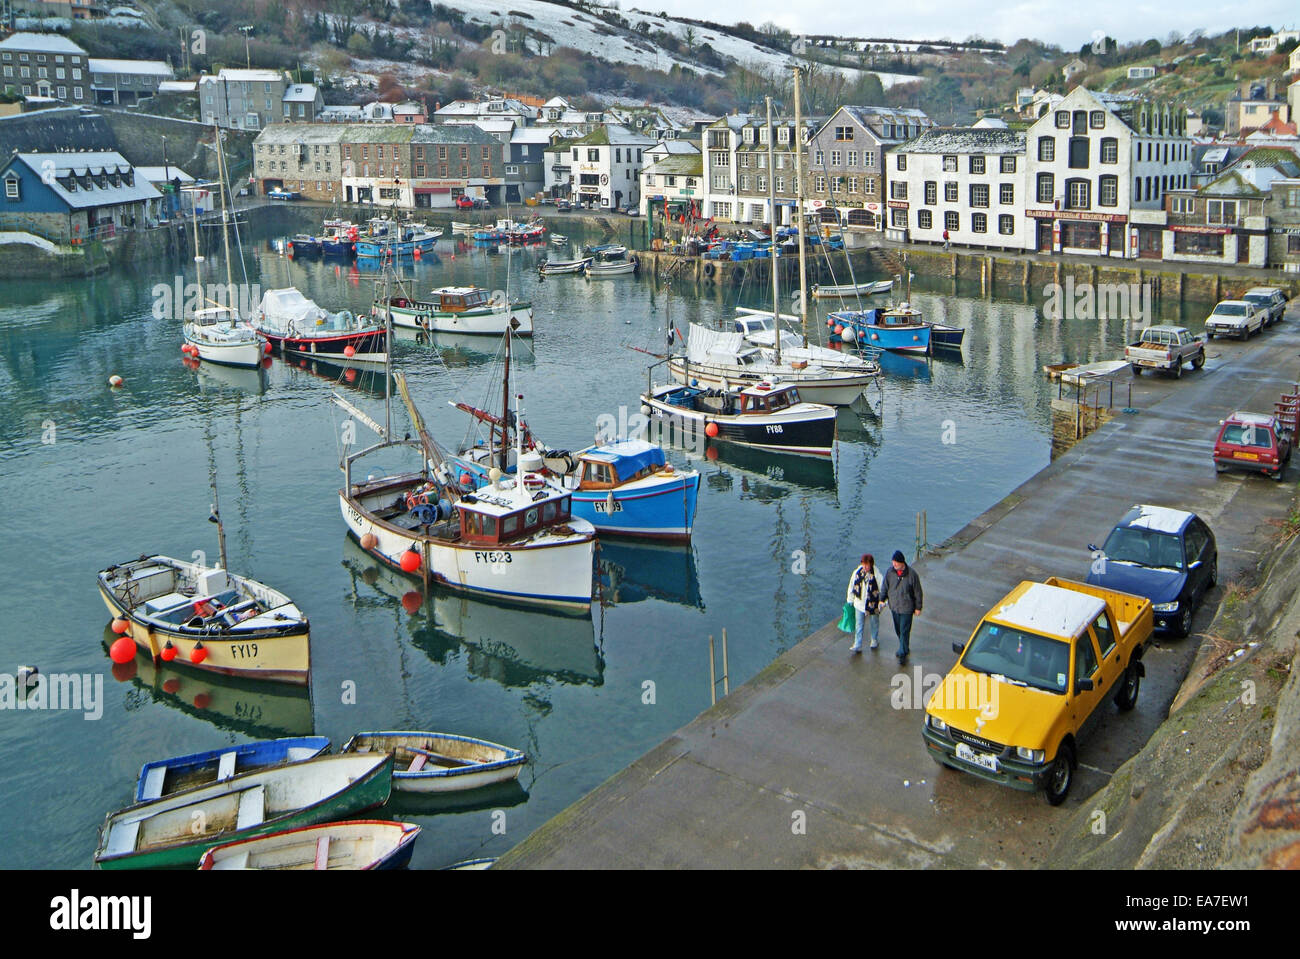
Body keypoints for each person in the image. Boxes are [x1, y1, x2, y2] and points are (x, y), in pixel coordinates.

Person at [881, 550, 923, 665]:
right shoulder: (890, 572)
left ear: (902, 562)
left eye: (896, 562)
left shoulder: (912, 575)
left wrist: (918, 607)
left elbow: (918, 592)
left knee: (904, 630)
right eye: (893, 562)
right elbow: (885, 586)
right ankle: (904, 646)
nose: (894, 564)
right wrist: (882, 598)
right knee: (898, 629)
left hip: (906, 607)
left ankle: (902, 652)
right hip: (894, 606)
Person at [845, 554, 882, 653]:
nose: (865, 567)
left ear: (871, 564)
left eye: (867, 565)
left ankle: (874, 639)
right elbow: (852, 586)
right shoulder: (857, 573)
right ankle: (858, 643)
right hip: (859, 604)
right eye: (864, 564)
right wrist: (850, 599)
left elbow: (882, 588)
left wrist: (883, 601)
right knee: (859, 625)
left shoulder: (877, 574)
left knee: (874, 622)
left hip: (873, 604)